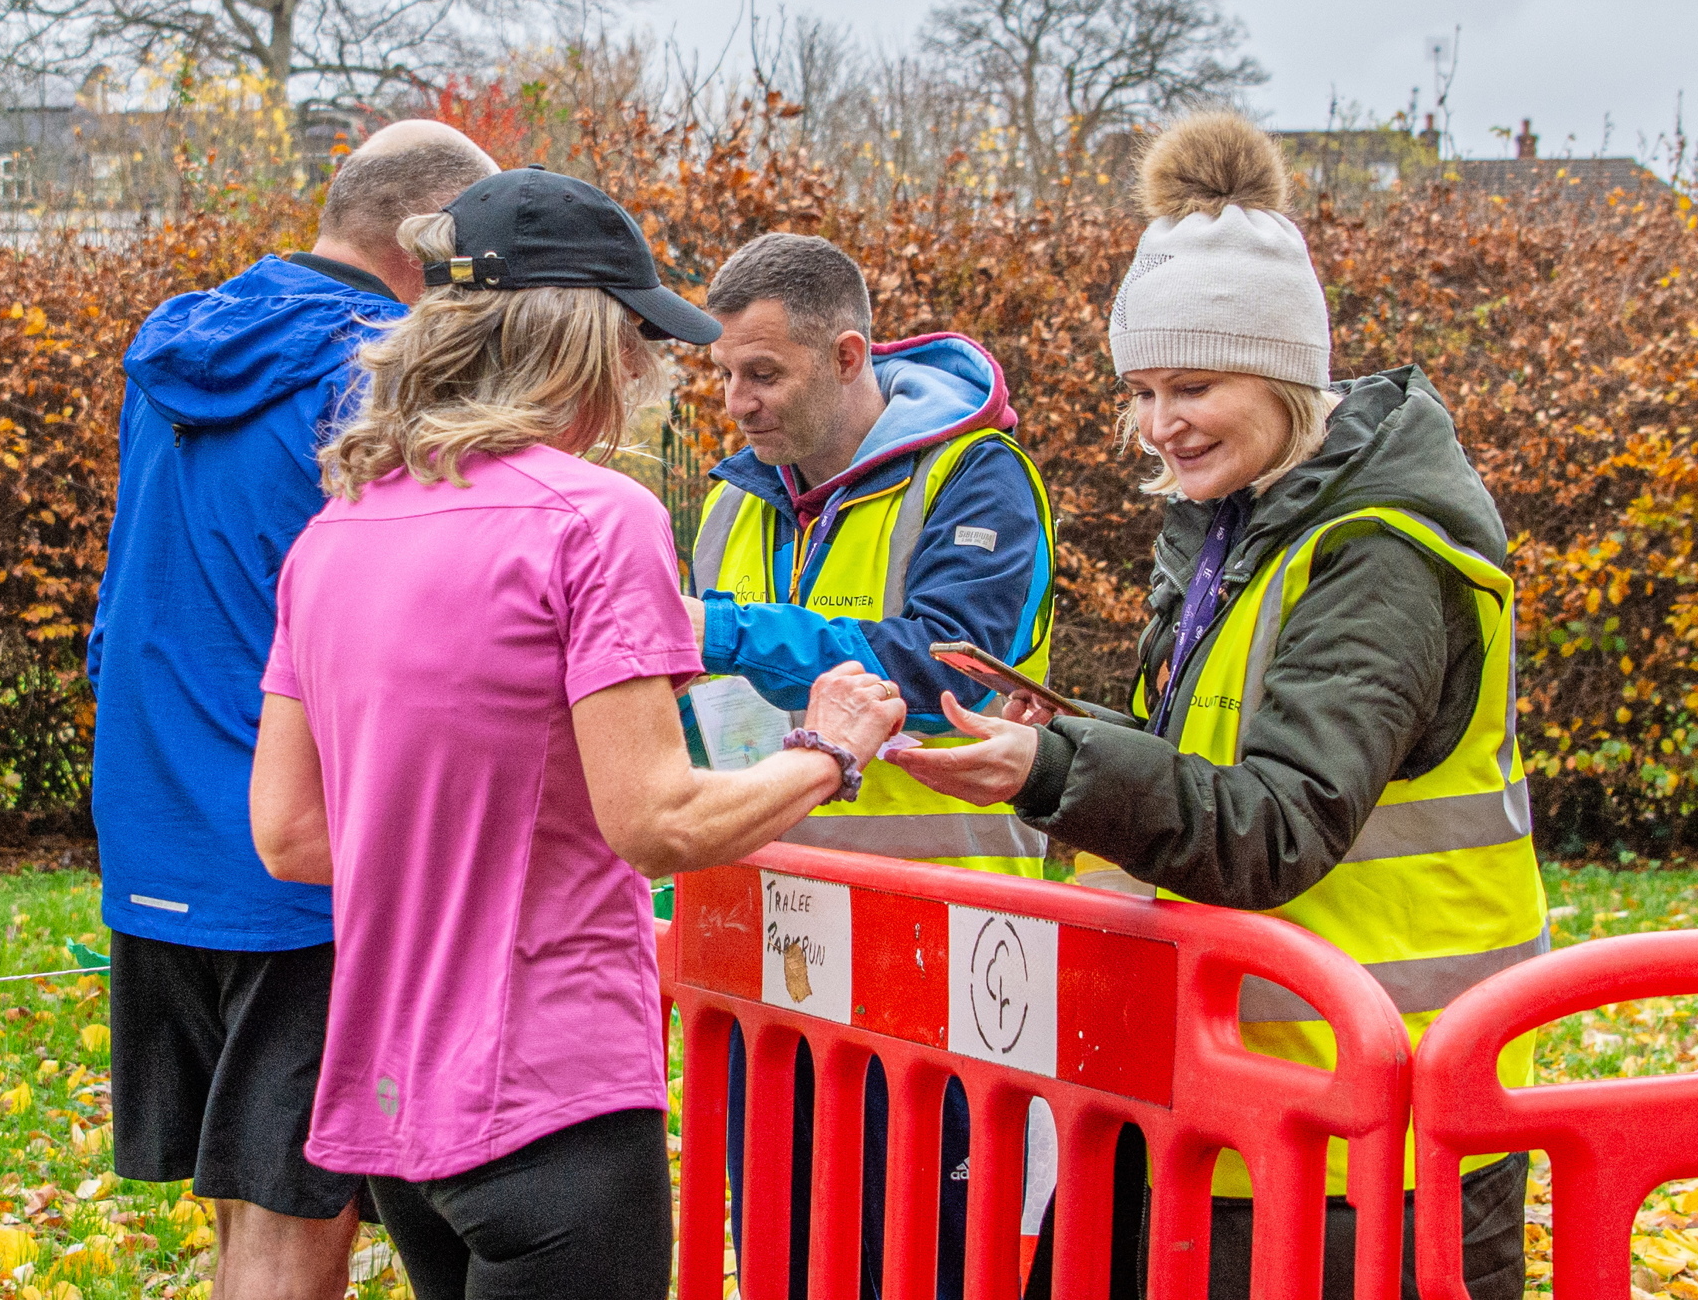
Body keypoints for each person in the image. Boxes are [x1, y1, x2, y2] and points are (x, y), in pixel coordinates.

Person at [890, 112, 1546, 1300]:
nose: (1156, 424)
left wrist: (1053, 775)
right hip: (1261, 1102)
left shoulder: (1376, 554)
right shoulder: (1236, 525)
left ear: (1287, 374)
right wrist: (1067, 734)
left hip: (1376, 1137)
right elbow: (1216, 756)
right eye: (1141, 389)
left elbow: (1278, 821)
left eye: (1191, 384)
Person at [246, 167, 909, 1300]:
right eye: (639, 342)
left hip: (397, 1102)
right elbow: (656, 820)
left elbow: (291, 833)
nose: (647, 373)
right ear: (586, 343)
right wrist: (831, 746)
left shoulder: (339, 528)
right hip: (552, 1097)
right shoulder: (598, 519)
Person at [86, 121, 497, 1300]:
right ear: (429, 251)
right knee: (295, 1210)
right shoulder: (372, 374)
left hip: (158, 825)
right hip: (297, 850)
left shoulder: (182, 352)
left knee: (245, 1206)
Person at [688, 232, 1058, 1300]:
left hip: (947, 962)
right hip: (775, 955)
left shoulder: (974, 478)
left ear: (848, 356)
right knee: (786, 1264)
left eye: (764, 373)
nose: (737, 401)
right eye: (721, 374)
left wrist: (724, 634)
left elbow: (944, 670)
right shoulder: (729, 502)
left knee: (940, 1266)